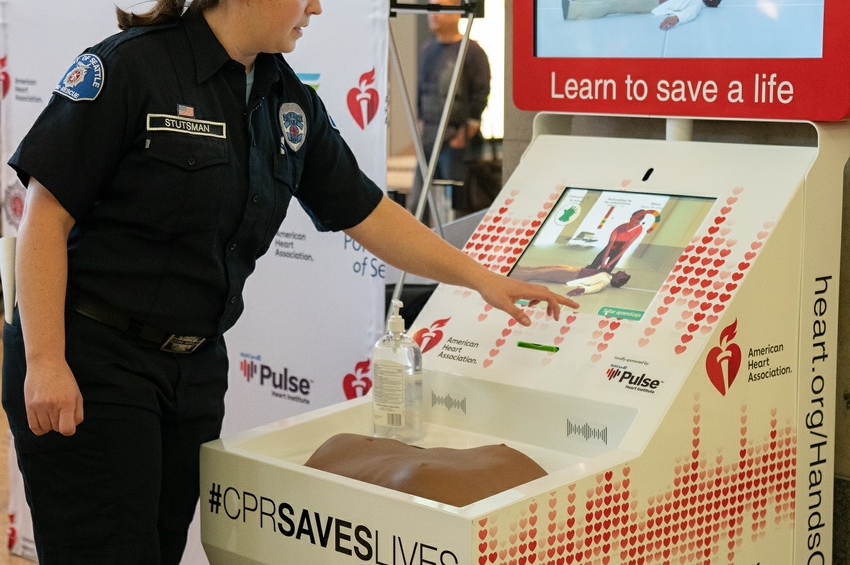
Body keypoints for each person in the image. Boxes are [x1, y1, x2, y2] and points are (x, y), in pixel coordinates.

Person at [1, 1, 578, 564]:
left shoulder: (286, 102)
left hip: (194, 371)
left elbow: (369, 214)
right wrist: (46, 361)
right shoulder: (130, 68)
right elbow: (46, 215)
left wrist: (482, 279)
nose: (318, 9)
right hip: (94, 357)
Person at [407, 0, 491, 221]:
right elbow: (421, 89)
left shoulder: (472, 51)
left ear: (456, 13)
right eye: (431, 9)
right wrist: (420, 124)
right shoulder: (427, 50)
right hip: (428, 136)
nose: (433, 15)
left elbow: (480, 92)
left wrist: (466, 132)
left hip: (455, 139)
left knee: (455, 206)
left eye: (440, 9)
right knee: (417, 202)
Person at [562, 0, 721, 29]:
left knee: (613, 4)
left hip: (649, 2)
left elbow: (691, 13)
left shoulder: (696, 3)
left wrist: (676, 18)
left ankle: (573, 11)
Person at [587, 209, 659, 272]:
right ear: (630, 219)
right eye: (632, 221)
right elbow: (609, 247)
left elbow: (624, 249)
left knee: (606, 272)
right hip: (609, 249)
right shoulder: (620, 228)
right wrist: (603, 263)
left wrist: (609, 264)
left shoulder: (639, 229)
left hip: (619, 251)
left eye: (636, 223)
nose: (633, 225)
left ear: (640, 222)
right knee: (592, 268)